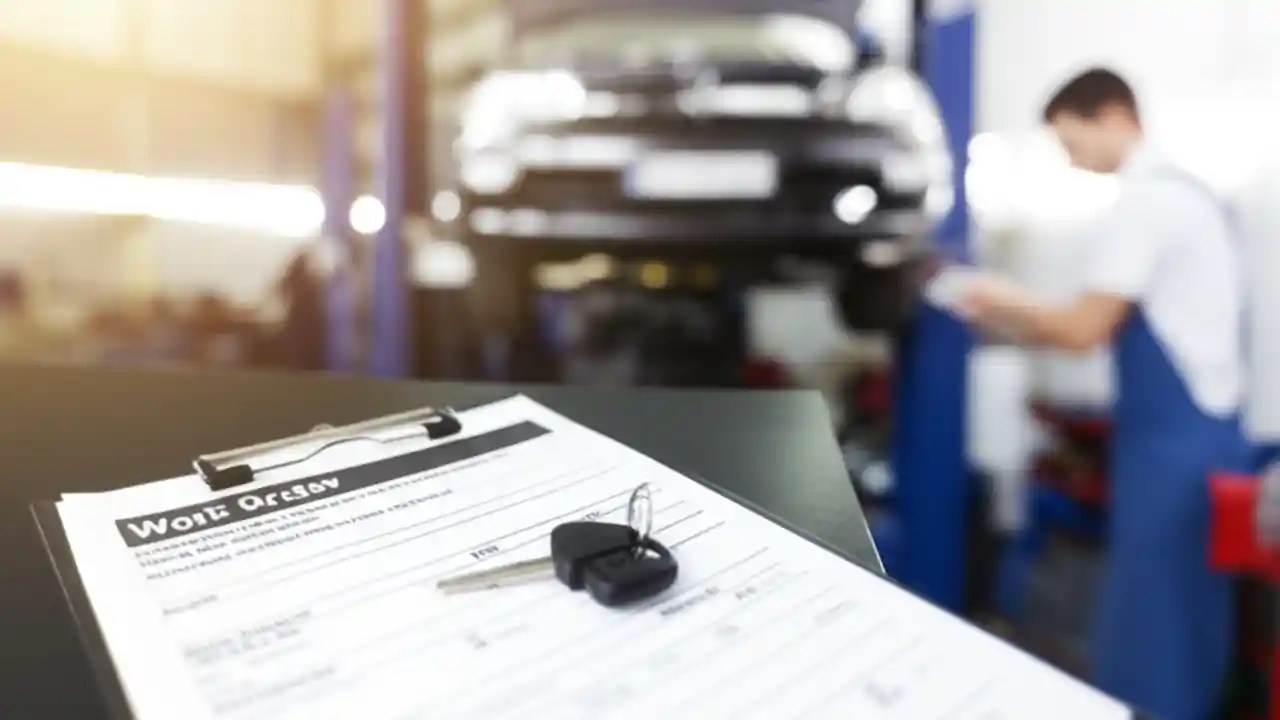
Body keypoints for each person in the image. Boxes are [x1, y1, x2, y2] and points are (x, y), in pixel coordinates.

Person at [961, 69, 1247, 719]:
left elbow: (1084, 329)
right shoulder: (1192, 195)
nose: (1072, 160)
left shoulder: (1148, 201)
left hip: (1173, 448)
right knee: (1187, 617)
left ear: (1113, 115)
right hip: (1202, 436)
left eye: (1072, 141)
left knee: (1154, 625)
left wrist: (995, 296)